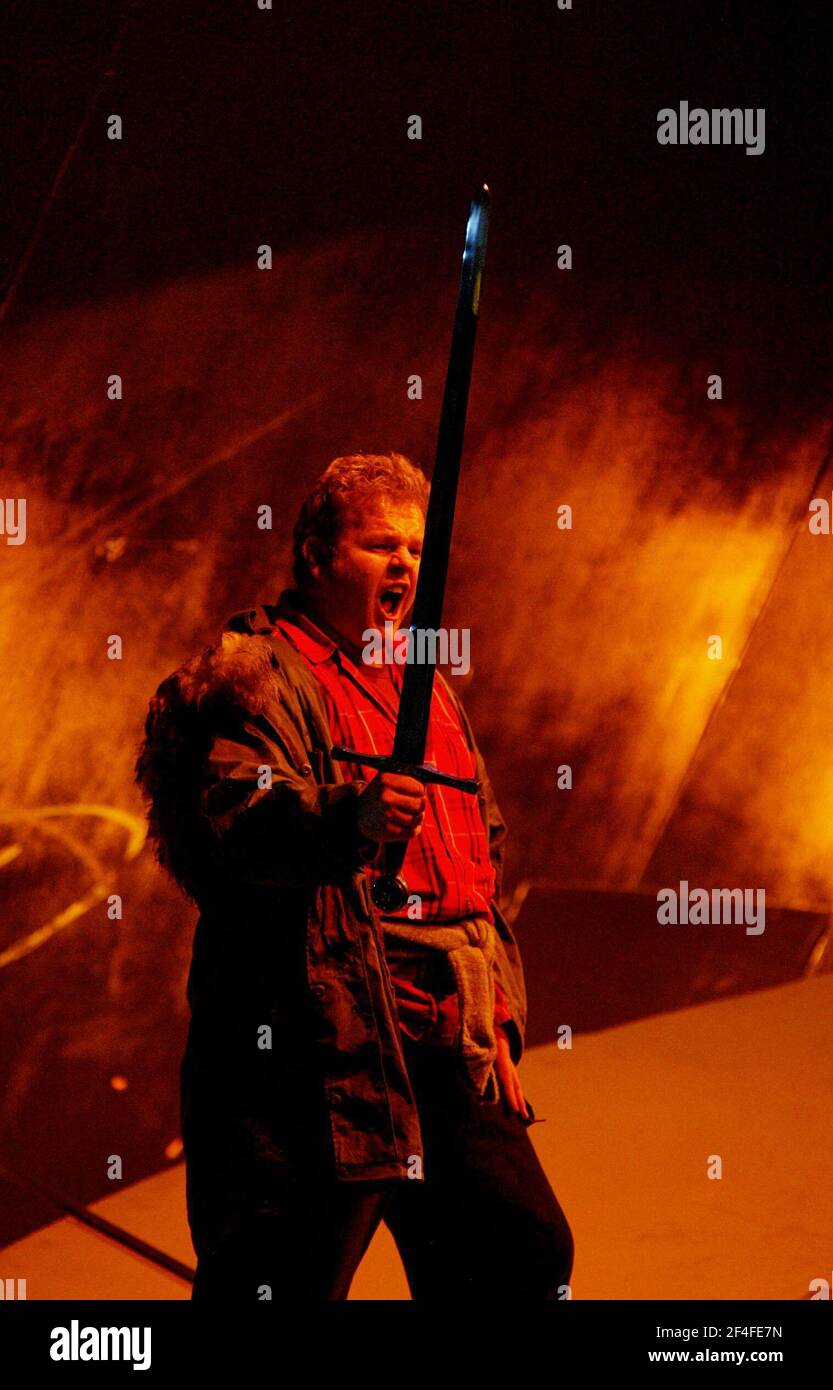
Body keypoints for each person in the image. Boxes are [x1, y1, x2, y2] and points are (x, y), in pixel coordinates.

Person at [135, 451, 574, 1300]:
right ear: (314, 555)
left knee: (517, 1255)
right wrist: (353, 818)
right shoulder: (252, 676)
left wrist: (496, 1015)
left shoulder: (423, 682)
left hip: (445, 1044)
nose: (405, 564)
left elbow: (472, 858)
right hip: (322, 1049)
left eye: (414, 547)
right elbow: (239, 820)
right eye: (381, 545)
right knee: (281, 1281)